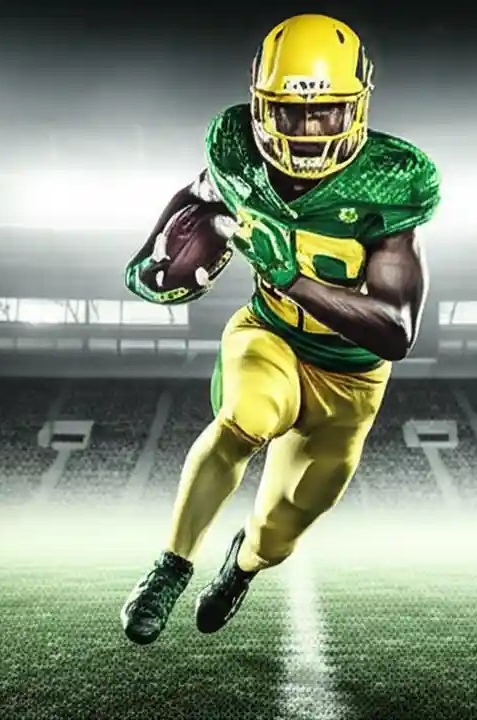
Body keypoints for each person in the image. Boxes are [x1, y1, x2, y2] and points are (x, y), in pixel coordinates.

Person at [119, 13, 440, 645]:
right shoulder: (238, 151)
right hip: (269, 336)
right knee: (244, 419)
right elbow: (200, 193)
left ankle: (240, 568)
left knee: (281, 528)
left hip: (351, 380)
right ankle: (170, 565)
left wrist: (291, 276)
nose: (307, 130)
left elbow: (397, 331)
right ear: (261, 104)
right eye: (288, 112)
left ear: (358, 104)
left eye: (325, 112)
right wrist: (158, 258)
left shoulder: (389, 184)